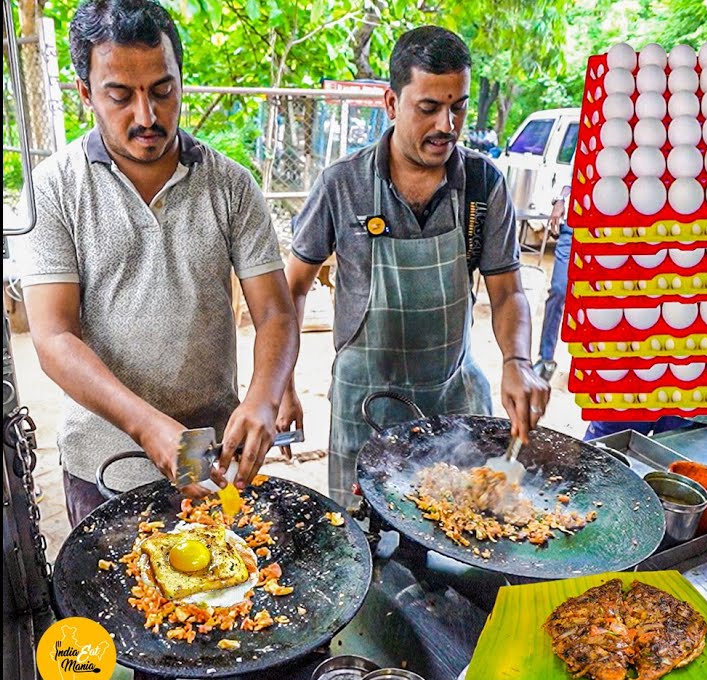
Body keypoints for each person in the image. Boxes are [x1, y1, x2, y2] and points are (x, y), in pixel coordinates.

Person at [20, 0, 299, 527]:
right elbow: (54, 337)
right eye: (120, 96)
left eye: (163, 91)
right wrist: (148, 426)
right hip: (104, 467)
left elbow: (276, 314)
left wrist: (263, 399)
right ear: (85, 94)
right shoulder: (53, 189)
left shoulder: (231, 186)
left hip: (210, 461)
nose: (147, 116)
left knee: (225, 575)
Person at [280, 26, 549, 507]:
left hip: (453, 397)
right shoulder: (343, 185)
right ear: (391, 102)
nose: (447, 124)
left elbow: (507, 291)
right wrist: (282, 385)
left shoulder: (483, 185)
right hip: (365, 404)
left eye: (458, 107)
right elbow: (292, 290)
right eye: (428, 108)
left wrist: (518, 362)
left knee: (464, 524)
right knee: (363, 526)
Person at [534, 183, 573, 381]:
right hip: (573, 227)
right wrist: (560, 200)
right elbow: (567, 178)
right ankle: (545, 357)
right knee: (559, 289)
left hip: (606, 230)